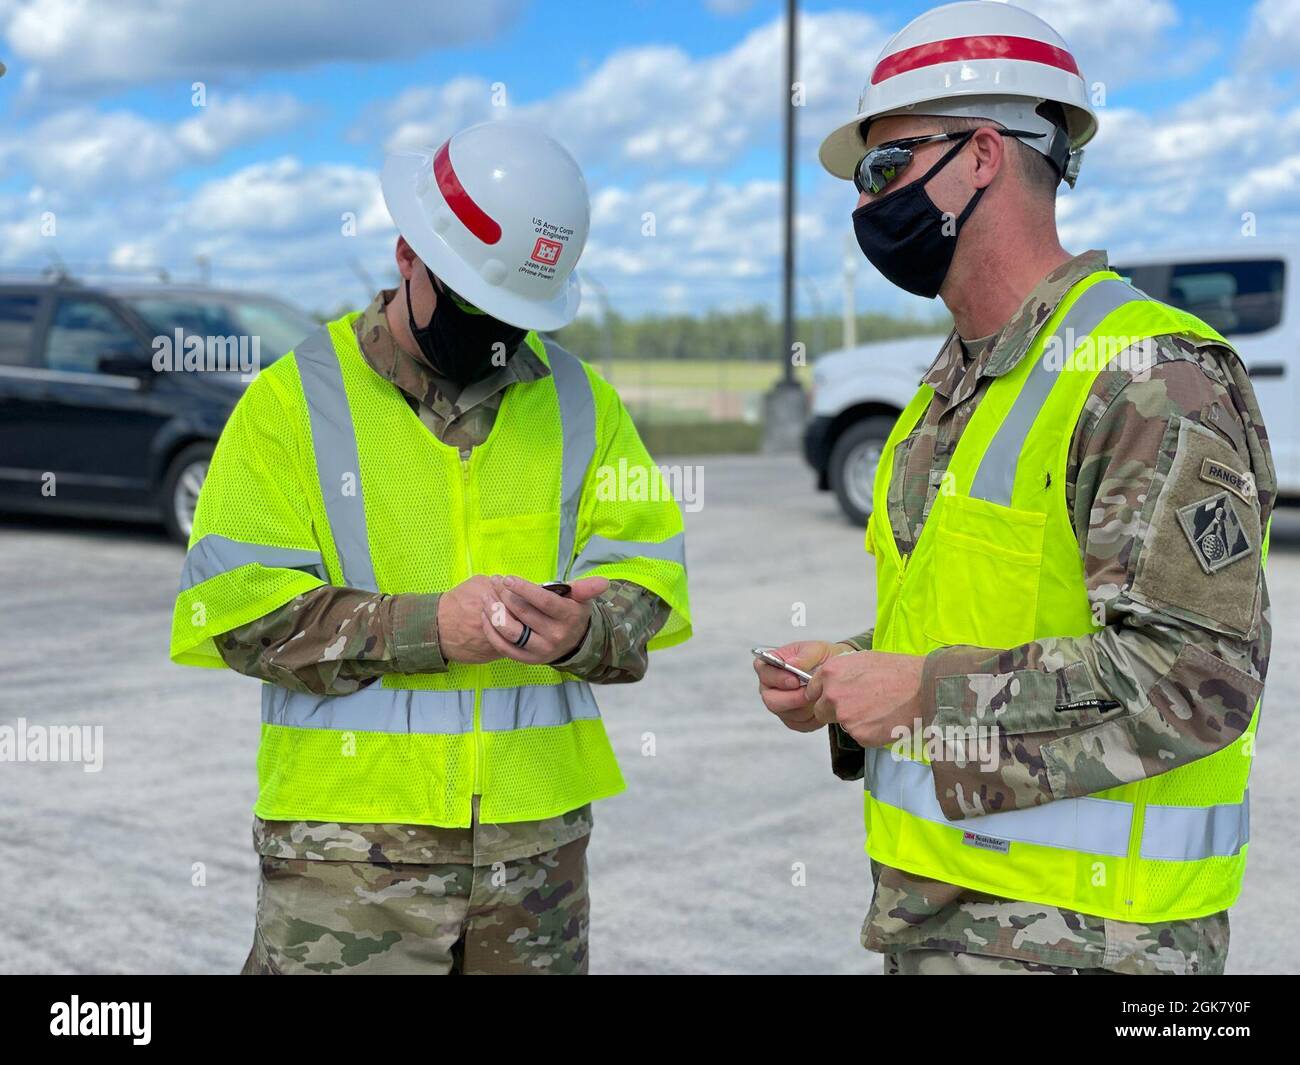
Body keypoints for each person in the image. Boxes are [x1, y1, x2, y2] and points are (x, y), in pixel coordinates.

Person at [756, 1, 1272, 975]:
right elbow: (980, 617)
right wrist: (850, 673)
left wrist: (919, 694)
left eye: (885, 167)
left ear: (982, 156)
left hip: (1097, 943)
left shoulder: (1148, 372)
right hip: (941, 921)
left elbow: (1197, 677)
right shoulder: (955, 381)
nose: (865, 204)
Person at [171, 120, 690, 974]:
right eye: (471, 302)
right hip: (348, 860)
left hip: (535, 856)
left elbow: (646, 575)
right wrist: (429, 628)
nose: (491, 329)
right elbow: (238, 613)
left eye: (512, 314)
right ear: (407, 253)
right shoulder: (293, 401)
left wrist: (588, 631)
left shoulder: (580, 401)